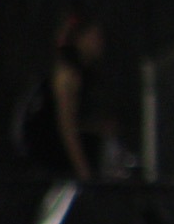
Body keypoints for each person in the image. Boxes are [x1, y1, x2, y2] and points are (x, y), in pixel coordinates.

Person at [15, 10, 108, 180]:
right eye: (95, 37)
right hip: (47, 155)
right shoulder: (68, 75)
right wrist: (84, 172)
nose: (100, 43)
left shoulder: (83, 74)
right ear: (79, 40)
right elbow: (67, 127)